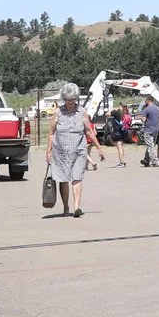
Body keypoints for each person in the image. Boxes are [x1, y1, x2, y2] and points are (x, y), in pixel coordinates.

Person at [48, 81, 91, 217]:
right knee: (63, 179)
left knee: (77, 177)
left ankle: (77, 207)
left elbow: (88, 131)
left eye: (72, 99)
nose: (70, 102)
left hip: (79, 150)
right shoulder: (58, 112)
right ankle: (66, 207)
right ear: (64, 99)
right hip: (60, 152)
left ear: (76, 98)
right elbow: (51, 133)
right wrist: (48, 152)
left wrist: (99, 148)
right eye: (67, 99)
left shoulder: (82, 112)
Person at [139, 95, 159, 167]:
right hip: (156, 130)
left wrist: (141, 118)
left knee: (150, 146)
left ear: (147, 101)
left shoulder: (146, 109)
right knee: (150, 145)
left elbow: (143, 120)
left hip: (148, 130)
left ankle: (155, 161)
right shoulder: (158, 109)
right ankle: (146, 160)